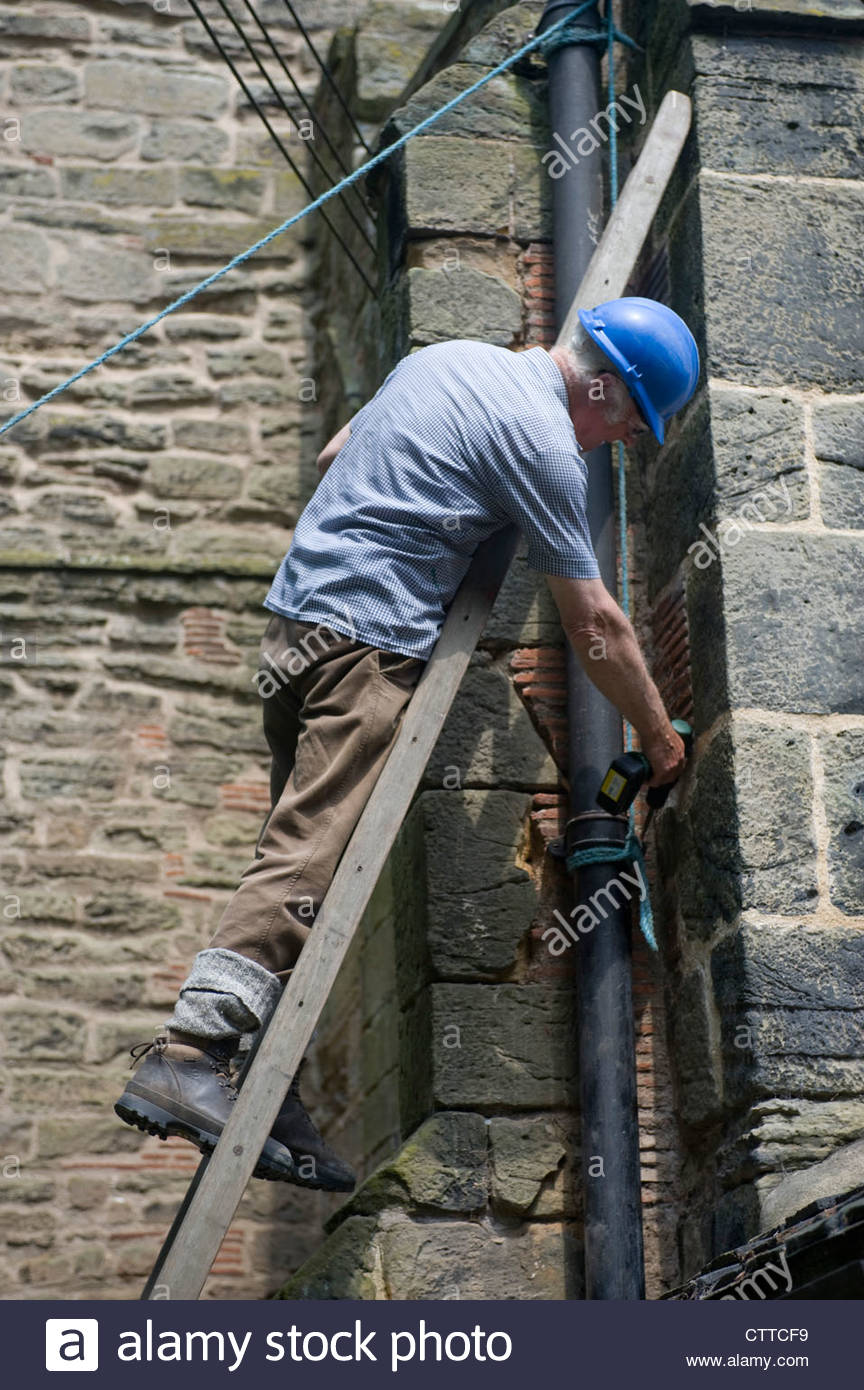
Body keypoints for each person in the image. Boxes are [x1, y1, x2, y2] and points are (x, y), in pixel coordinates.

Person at [114, 296, 700, 1192]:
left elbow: (336, 454)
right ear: (602, 387)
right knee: (305, 858)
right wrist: (659, 737)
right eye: (627, 423)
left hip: (296, 628)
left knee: (306, 863)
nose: (618, 442)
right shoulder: (539, 437)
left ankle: (270, 1086)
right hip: (366, 645)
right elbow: (598, 629)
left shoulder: (445, 356)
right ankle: (189, 1054)